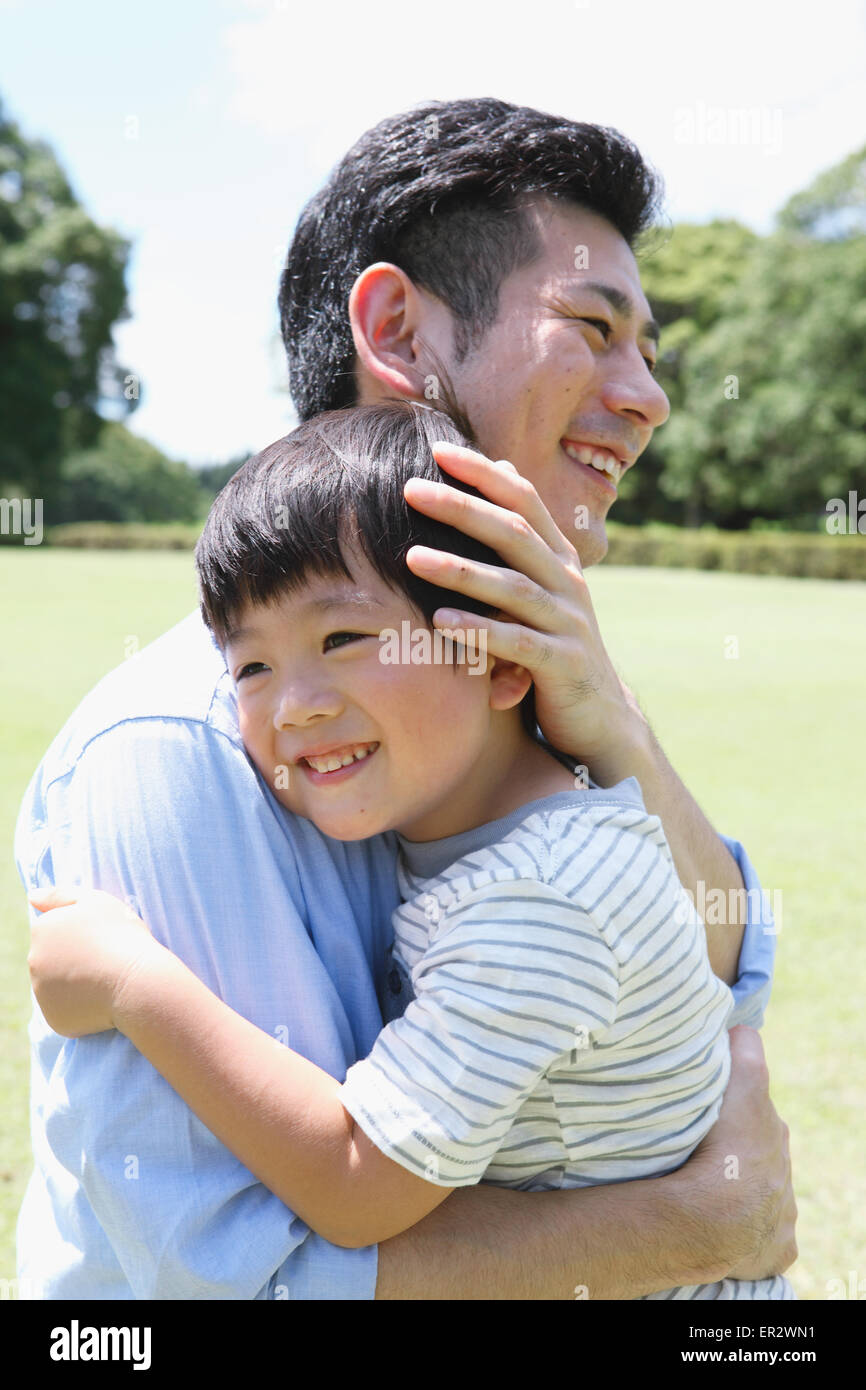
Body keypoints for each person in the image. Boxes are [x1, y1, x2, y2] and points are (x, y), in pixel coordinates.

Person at [14, 97, 795, 1300]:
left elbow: (719, 973)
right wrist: (698, 1225)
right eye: (591, 327)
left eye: (649, 348)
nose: (647, 397)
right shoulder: (185, 748)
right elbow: (237, 1284)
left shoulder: (517, 664)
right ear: (398, 331)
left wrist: (617, 732)